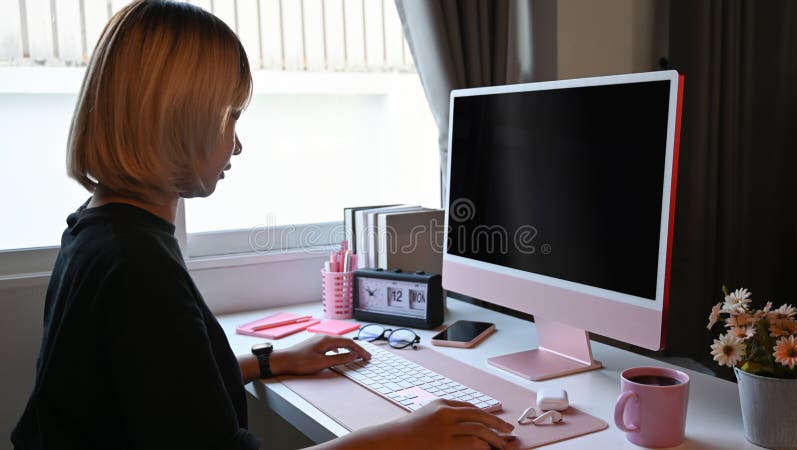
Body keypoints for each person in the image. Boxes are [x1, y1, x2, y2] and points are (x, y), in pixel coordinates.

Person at [11, 1, 515, 449]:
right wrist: (404, 437)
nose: (236, 143)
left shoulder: (98, 230)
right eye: (230, 116)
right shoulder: (138, 268)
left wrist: (270, 361)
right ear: (180, 119)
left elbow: (159, 390)